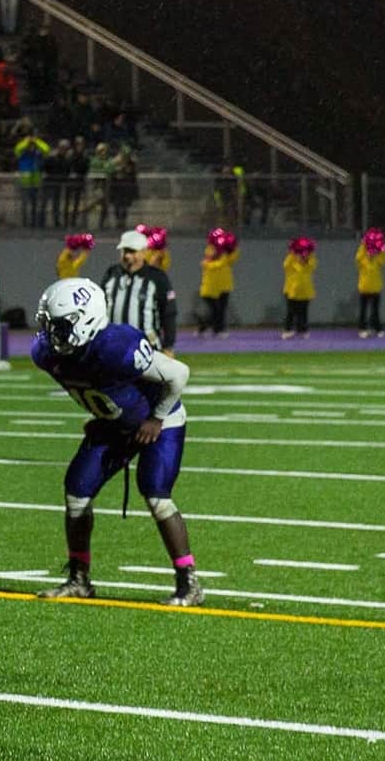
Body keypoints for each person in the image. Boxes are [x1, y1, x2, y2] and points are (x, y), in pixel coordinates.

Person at [33, 279, 202, 605]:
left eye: (61, 325)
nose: (51, 334)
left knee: (156, 495)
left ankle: (189, 583)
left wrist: (156, 418)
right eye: (49, 325)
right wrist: (105, 415)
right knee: (77, 491)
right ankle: (79, 579)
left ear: (87, 319)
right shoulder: (47, 354)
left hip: (158, 421)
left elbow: (178, 374)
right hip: (116, 425)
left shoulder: (117, 347)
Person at [101, 230, 174, 351]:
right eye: (124, 251)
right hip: (113, 347)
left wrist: (168, 346)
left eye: (132, 251)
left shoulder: (156, 277)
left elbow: (169, 313)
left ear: (144, 252)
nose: (127, 256)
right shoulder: (111, 274)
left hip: (147, 346)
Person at [197, 228, 238, 336]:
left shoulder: (225, 253)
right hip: (211, 285)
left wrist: (231, 249)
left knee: (221, 310)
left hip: (224, 284)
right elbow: (210, 264)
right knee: (216, 310)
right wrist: (222, 257)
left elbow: (233, 258)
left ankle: (217, 329)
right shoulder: (210, 250)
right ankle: (207, 327)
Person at [281, 235, 317, 338]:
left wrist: (306, 257)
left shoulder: (311, 261)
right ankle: (288, 329)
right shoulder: (291, 260)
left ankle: (302, 330)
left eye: (305, 252)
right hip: (292, 291)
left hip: (305, 291)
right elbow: (285, 265)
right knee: (291, 312)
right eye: (301, 252)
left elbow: (312, 265)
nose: (303, 255)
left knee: (303, 312)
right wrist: (293, 253)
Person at [357, 229, 385, 339]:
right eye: (370, 250)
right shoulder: (362, 260)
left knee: (375, 311)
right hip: (364, 288)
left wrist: (381, 247)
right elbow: (358, 257)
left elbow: (383, 257)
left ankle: (377, 328)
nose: (372, 252)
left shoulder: (378, 260)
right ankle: (362, 329)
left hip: (375, 288)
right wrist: (364, 244)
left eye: (373, 250)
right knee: (363, 310)